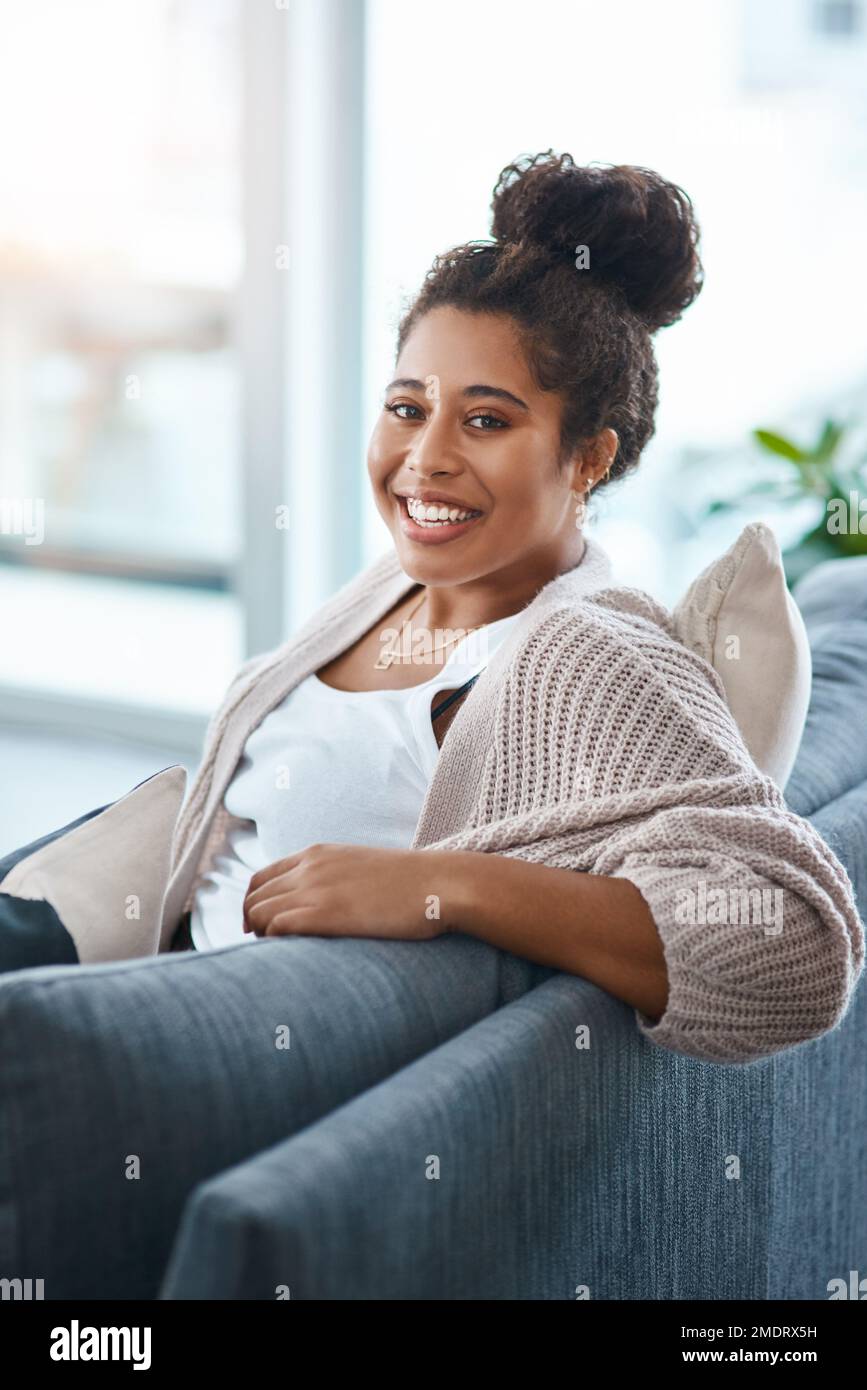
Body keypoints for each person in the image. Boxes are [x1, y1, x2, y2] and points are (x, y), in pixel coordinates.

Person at [164, 151, 864, 1066]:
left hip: (246, 1070)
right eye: (408, 407)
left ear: (588, 459)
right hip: (166, 999)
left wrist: (440, 887)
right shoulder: (391, 590)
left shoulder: (590, 650)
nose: (425, 458)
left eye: (486, 421)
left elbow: (790, 944)